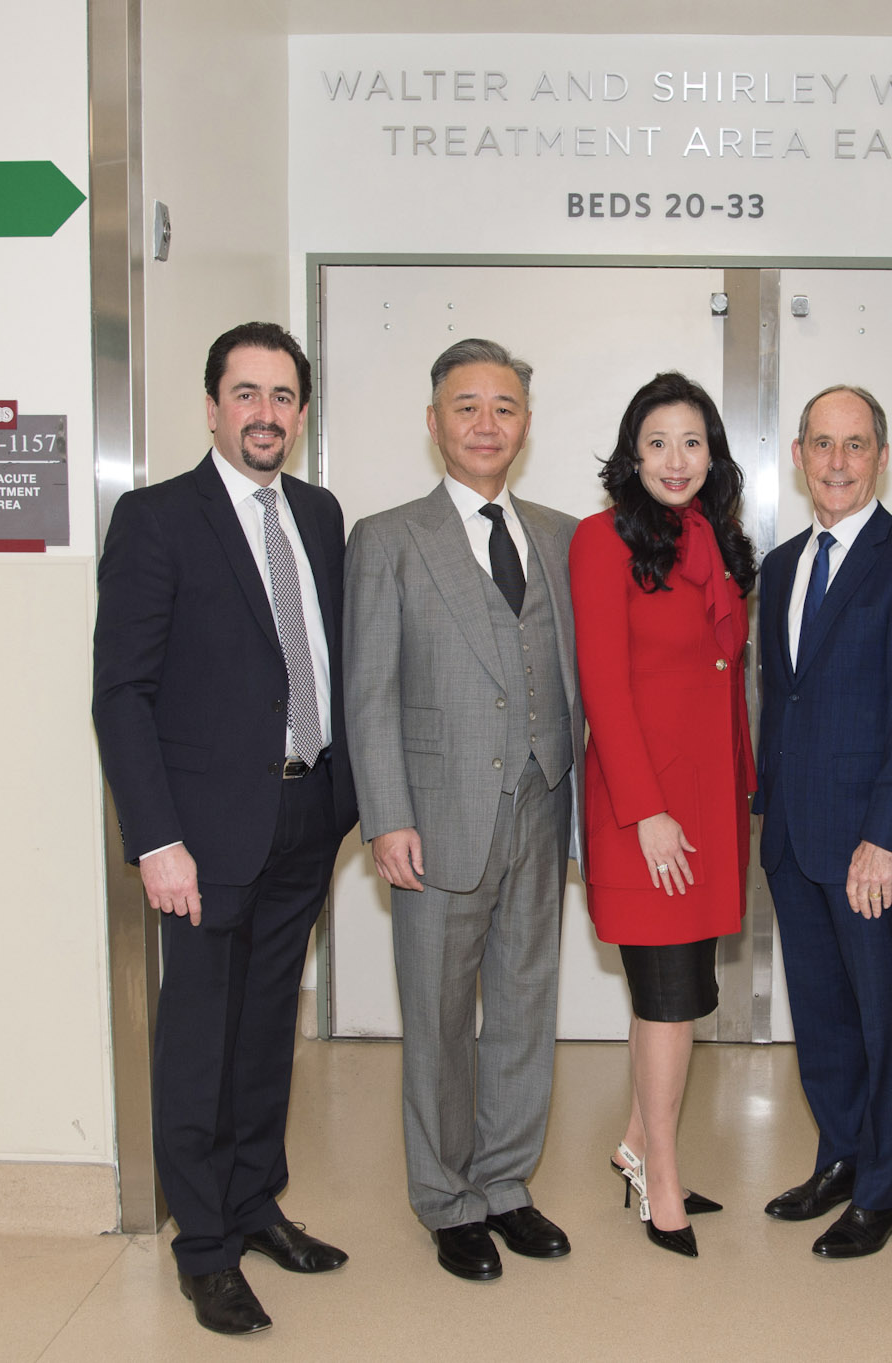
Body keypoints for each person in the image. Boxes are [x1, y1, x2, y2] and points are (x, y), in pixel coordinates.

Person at [92, 322, 358, 1336]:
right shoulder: (159, 519)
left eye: (282, 395)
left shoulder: (319, 515)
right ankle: (201, 1246)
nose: (264, 413)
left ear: (300, 410)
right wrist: (155, 837)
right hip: (199, 836)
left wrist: (346, 801)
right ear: (211, 406)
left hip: (305, 812)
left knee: (263, 1035)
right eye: (245, 393)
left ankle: (254, 1206)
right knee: (198, 1039)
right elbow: (120, 693)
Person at [342, 338, 585, 1283]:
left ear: (527, 424)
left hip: (541, 800)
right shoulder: (388, 538)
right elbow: (367, 690)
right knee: (440, 1014)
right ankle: (446, 1200)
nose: (487, 423)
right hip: (435, 815)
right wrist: (386, 814)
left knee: (526, 1001)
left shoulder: (565, 537)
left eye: (506, 407)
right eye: (467, 406)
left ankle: (507, 1184)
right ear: (435, 420)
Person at [753, 384, 892, 1259]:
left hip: (874, 845)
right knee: (823, 1012)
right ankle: (839, 1156)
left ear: (881, 456)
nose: (838, 461)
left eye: (856, 444)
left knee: (885, 1015)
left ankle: (884, 1190)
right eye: (822, 444)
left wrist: (886, 835)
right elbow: (784, 699)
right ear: (799, 455)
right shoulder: (779, 566)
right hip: (796, 838)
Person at [569, 372, 757, 1259]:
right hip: (645, 812)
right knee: (670, 996)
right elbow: (603, 684)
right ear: (630, 453)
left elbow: (723, 685)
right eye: (657, 443)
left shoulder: (711, 539)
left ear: (712, 454)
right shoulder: (601, 540)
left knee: (678, 992)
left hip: (710, 807)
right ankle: (664, 1182)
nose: (676, 460)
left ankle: (639, 1147)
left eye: (692, 443)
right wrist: (645, 811)